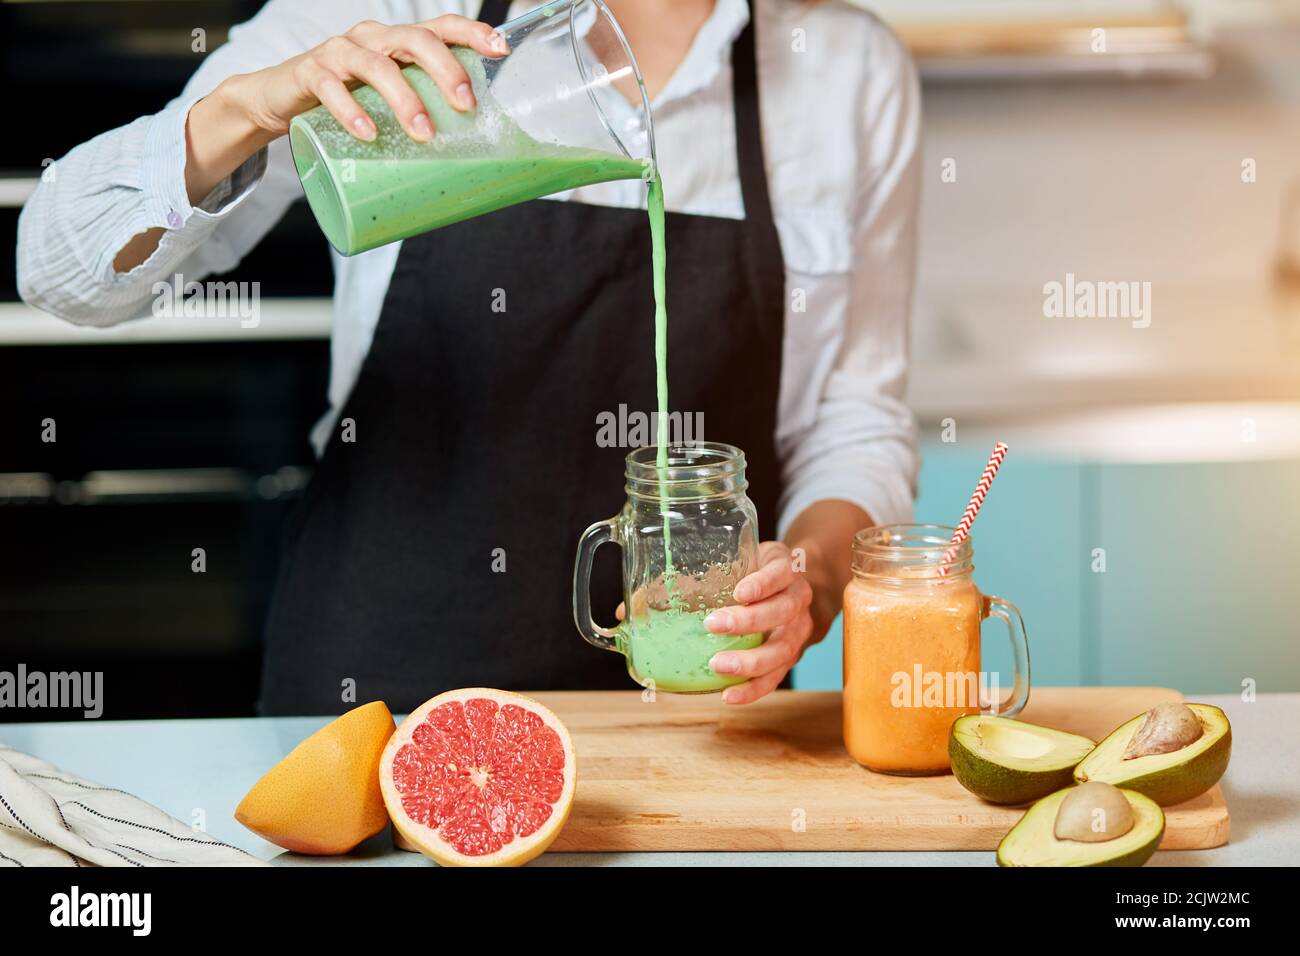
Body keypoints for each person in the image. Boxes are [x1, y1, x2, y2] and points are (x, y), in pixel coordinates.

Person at [17, 0, 921, 714]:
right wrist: (251, 107)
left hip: (696, 715)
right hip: (381, 696)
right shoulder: (395, 8)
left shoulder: (848, 69)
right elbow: (58, 271)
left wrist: (806, 582)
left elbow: (857, 422)